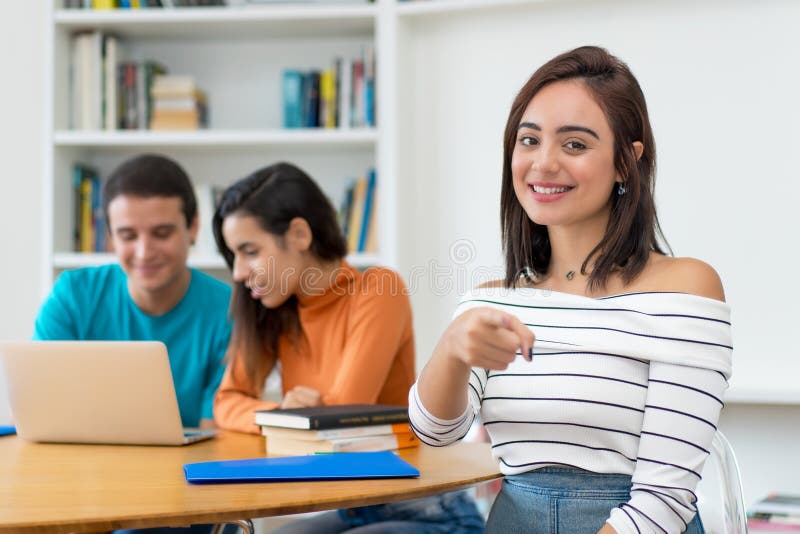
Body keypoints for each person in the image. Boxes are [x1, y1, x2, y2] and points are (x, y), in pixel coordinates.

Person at [408, 46, 733, 534]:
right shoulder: (490, 301)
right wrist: (453, 348)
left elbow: (663, 501)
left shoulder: (686, 287)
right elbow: (436, 433)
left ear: (627, 162)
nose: (544, 163)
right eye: (529, 140)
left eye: (575, 145)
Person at [212, 161, 484, 533]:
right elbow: (226, 401)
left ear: (299, 234)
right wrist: (281, 412)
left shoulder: (376, 290)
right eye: (235, 256)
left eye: (250, 251)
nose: (239, 272)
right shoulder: (275, 311)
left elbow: (341, 414)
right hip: (356, 507)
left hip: (427, 510)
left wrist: (288, 420)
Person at [33, 154, 232, 431]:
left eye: (162, 233)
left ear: (193, 227)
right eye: (127, 236)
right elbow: (43, 410)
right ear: (111, 236)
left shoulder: (230, 312)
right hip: (82, 467)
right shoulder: (73, 296)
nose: (144, 252)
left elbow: (215, 440)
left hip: (184, 470)